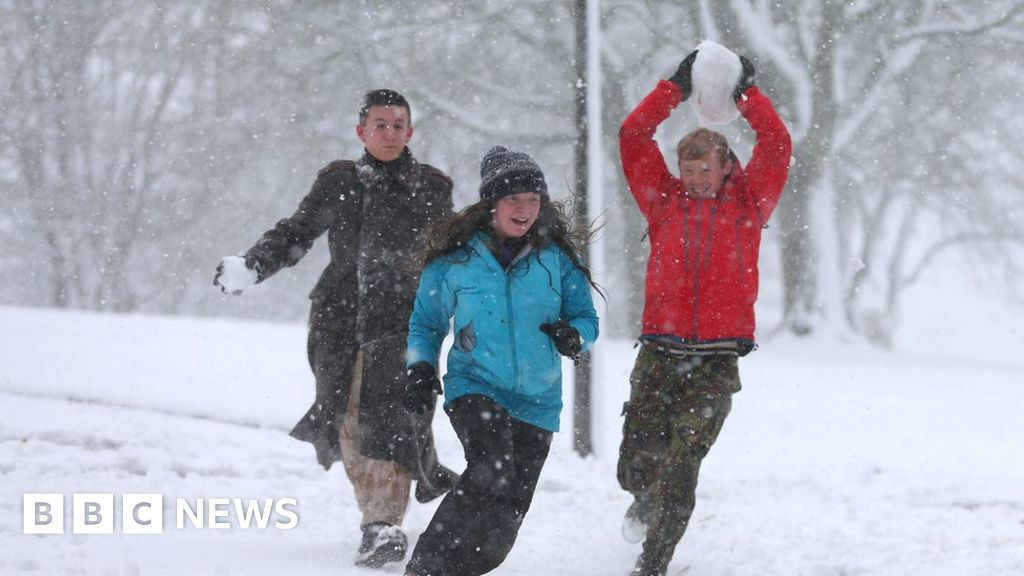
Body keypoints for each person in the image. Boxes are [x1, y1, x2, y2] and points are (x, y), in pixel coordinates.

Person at [213, 88, 458, 569]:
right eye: (379, 125)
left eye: (397, 125)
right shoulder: (339, 180)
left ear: (410, 133)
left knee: (395, 418)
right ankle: (375, 514)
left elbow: (451, 256)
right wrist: (255, 265)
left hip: (403, 323)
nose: (389, 133)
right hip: (338, 319)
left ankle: (383, 525)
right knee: (346, 418)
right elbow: (297, 231)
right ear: (361, 131)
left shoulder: (432, 187)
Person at [616, 50, 792, 576]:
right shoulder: (661, 201)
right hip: (660, 353)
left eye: (704, 170)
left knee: (682, 461)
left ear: (725, 167)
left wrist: (745, 94)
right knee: (635, 466)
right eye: (687, 170)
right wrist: (674, 87)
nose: (694, 179)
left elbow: (777, 143)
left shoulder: (750, 204)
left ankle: (654, 562)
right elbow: (632, 136)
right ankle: (642, 500)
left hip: (715, 361)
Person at [401, 146, 600, 576]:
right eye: (515, 200)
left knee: (505, 520)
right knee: (491, 468)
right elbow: (426, 323)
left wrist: (574, 334)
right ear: (492, 202)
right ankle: (424, 566)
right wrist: (420, 367)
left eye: (533, 200)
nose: (526, 210)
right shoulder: (456, 258)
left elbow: (587, 318)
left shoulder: (557, 258)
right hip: (475, 383)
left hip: (538, 399)